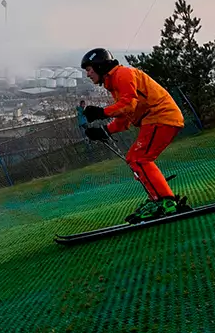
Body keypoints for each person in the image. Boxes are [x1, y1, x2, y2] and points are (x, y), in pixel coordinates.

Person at [80, 47, 190, 223]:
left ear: (99, 66)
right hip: (155, 119)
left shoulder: (122, 75)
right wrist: (105, 130)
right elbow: (126, 117)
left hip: (160, 117)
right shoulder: (115, 84)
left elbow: (128, 104)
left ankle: (165, 202)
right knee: (136, 158)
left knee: (138, 158)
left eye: (89, 69)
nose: (88, 74)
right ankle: (161, 200)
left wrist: (102, 112)